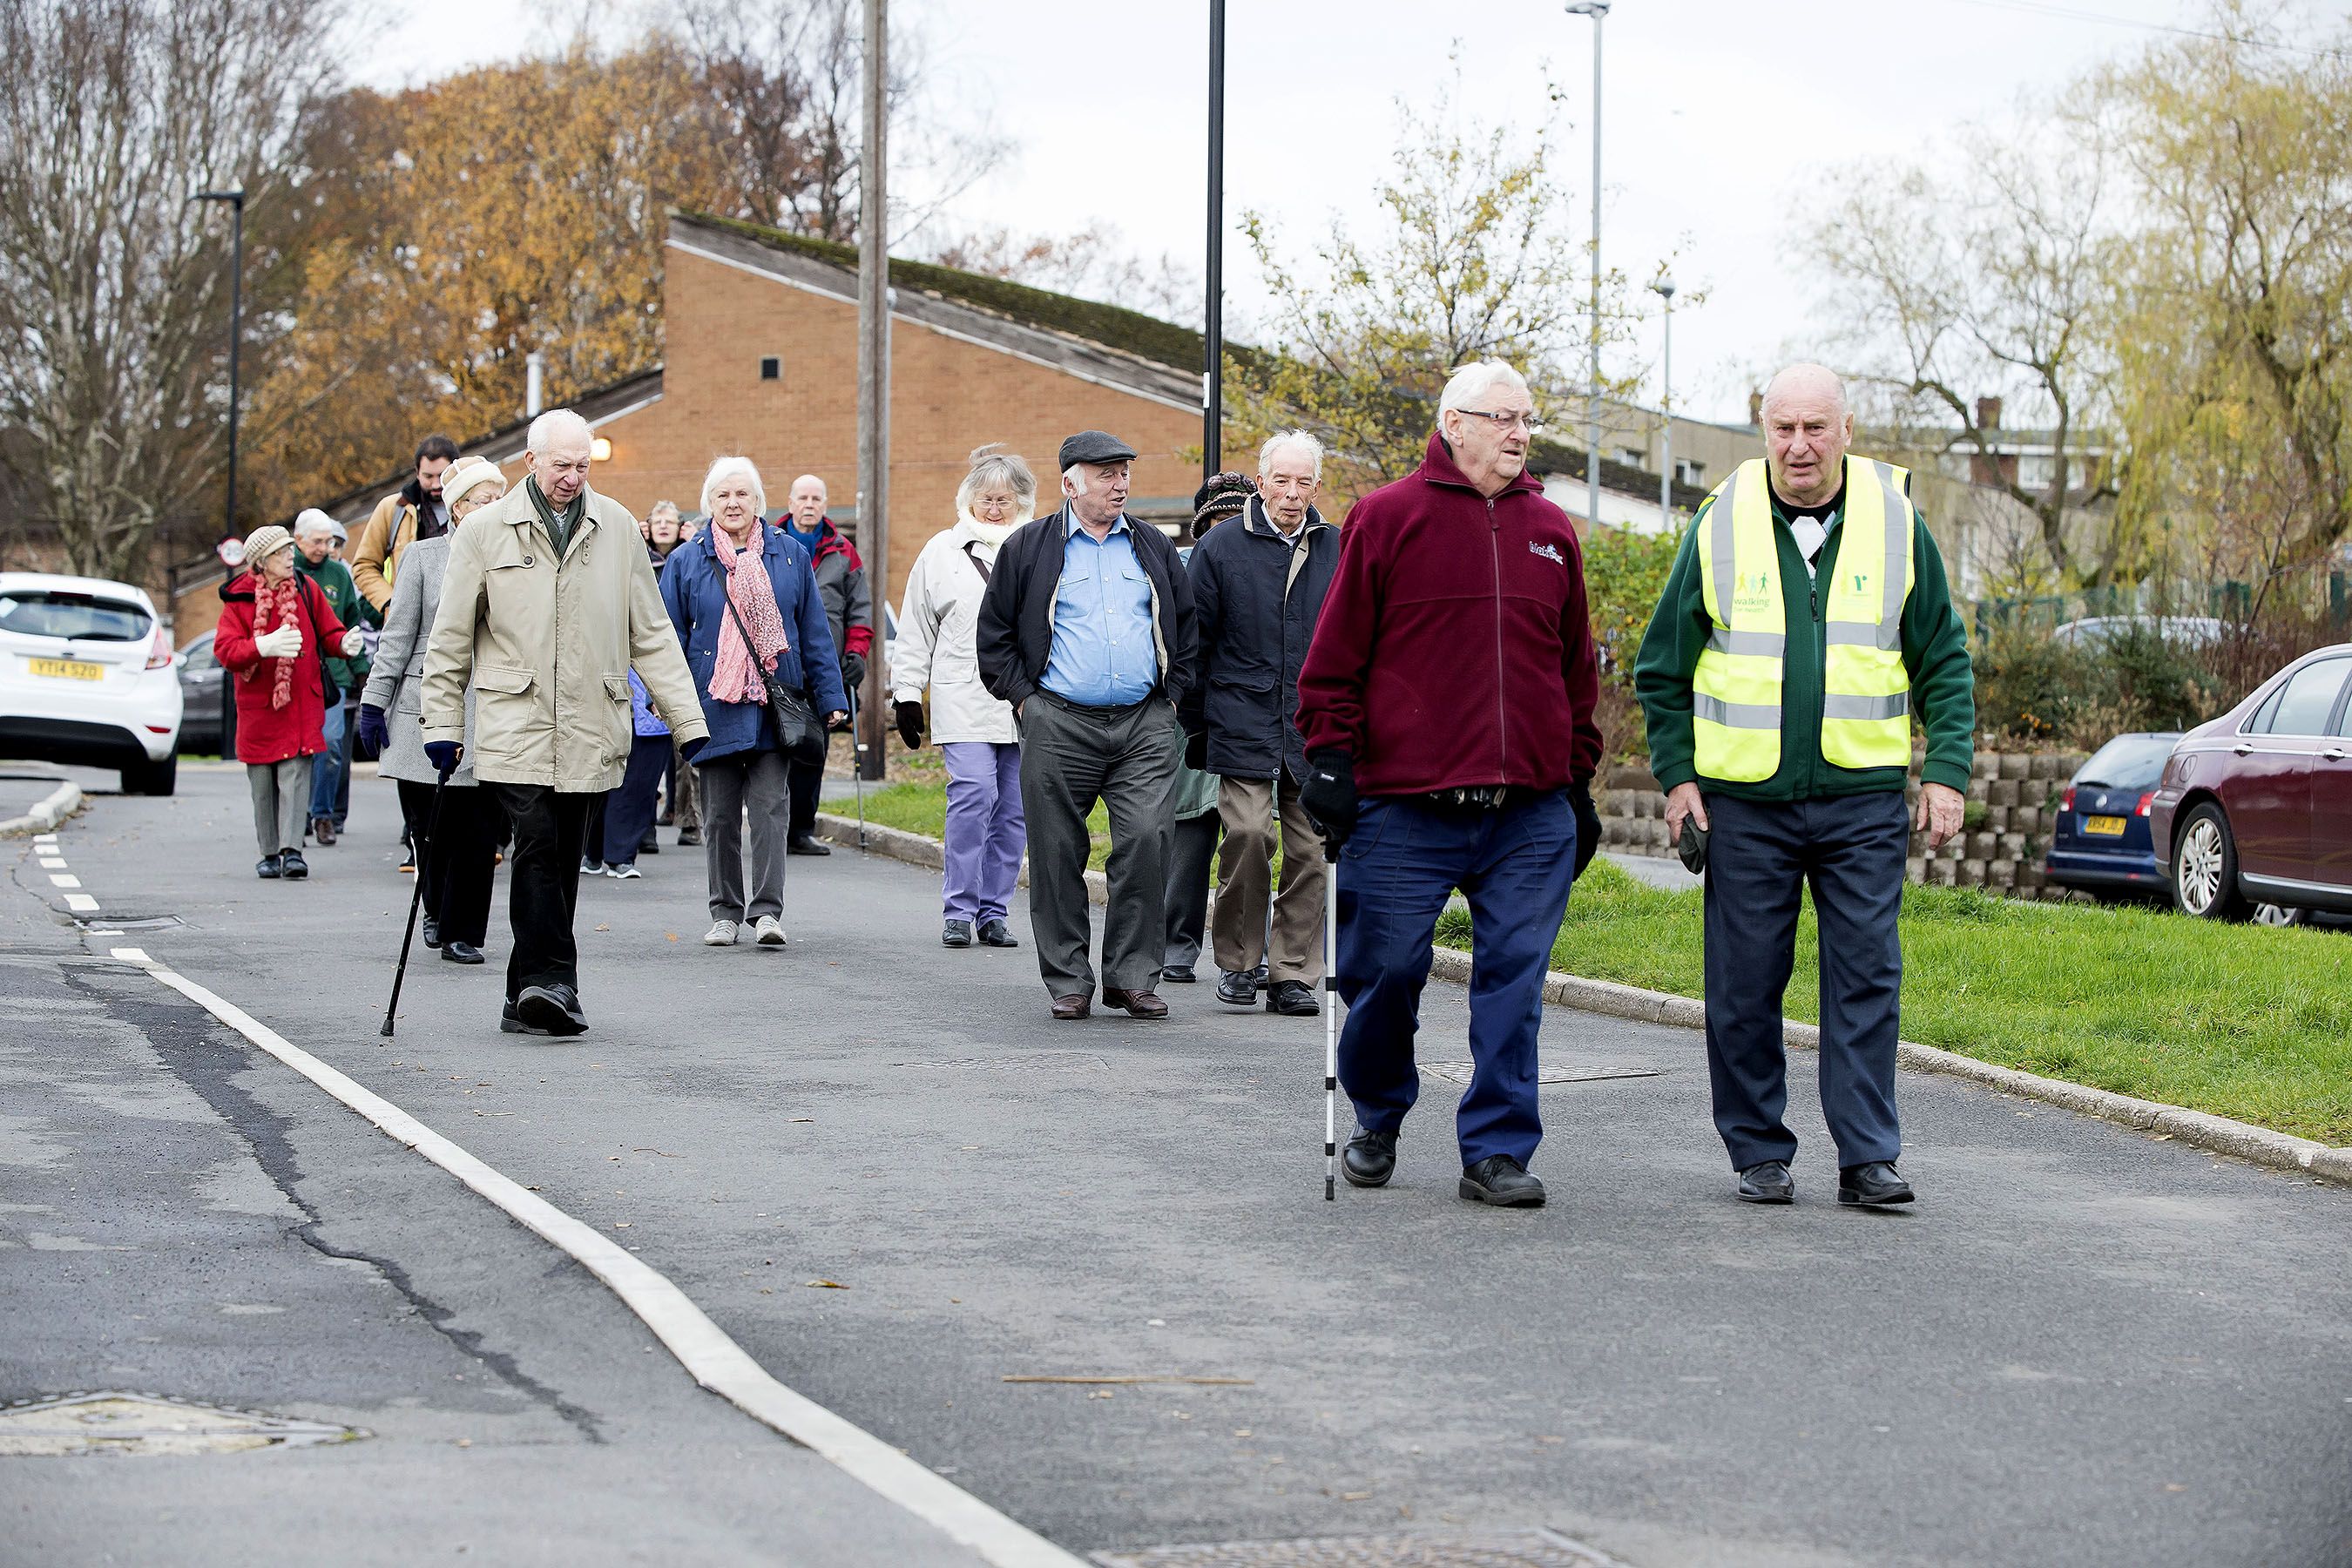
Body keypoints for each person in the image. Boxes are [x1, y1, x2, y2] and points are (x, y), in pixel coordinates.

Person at [1633, 362, 1975, 1208]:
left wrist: (1947, 771)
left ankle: (1867, 1156)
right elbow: (1661, 669)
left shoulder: (1897, 523)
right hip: (1744, 801)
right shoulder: (1720, 525)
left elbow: (1944, 661)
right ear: (1764, 432)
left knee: (1865, 976)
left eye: (1816, 428)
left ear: (1848, 432)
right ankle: (1758, 1148)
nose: (1799, 446)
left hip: (1862, 798)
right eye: (1783, 428)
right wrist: (1679, 781)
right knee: (1745, 981)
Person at [1295, 361, 1604, 1209]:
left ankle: (1497, 1150)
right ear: (1453, 424)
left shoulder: (1552, 531)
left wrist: (1578, 782)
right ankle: (1380, 1113)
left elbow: (1576, 671)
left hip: (1529, 811)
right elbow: (1333, 661)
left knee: (1516, 979)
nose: (1517, 435)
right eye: (1501, 418)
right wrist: (1328, 761)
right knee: (1385, 970)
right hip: (1404, 804)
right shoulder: (1387, 519)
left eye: (1526, 421)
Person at [419, 409, 709, 1037]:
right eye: (561, 465)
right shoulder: (485, 533)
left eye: (582, 466)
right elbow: (449, 640)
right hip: (515, 719)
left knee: (561, 853)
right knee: (540, 843)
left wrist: (687, 719)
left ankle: (521, 997)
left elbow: (651, 631)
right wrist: (441, 723)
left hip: (592, 721)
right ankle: (555, 981)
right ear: (531, 462)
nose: (572, 477)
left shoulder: (617, 530)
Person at [977, 430, 1196, 1022]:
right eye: (1105, 473)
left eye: (1124, 471)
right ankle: (1069, 979)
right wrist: (1025, 701)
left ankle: (1130, 978)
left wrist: (1172, 698)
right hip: (1058, 721)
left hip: (1144, 723)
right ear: (1070, 482)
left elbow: (1188, 625)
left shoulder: (1152, 546)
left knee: (1149, 841)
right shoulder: (1029, 547)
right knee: (1055, 852)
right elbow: (994, 637)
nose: (1119, 482)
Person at [659, 456, 848, 949]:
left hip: (772, 703)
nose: (732, 503)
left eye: (742, 494)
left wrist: (830, 696)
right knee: (718, 815)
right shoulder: (687, 559)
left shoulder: (789, 556)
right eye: (722, 495)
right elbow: (667, 638)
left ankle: (766, 912)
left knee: (770, 809)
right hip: (712, 704)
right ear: (709, 504)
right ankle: (725, 911)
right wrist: (667, 700)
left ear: (758, 500)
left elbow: (812, 632)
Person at [1185, 434, 1342, 1016]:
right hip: (1241, 715)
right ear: (1261, 480)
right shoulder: (1222, 546)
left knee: (1311, 848)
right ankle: (1238, 962)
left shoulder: (1338, 548)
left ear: (1317, 486)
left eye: (1304, 483)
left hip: (1314, 724)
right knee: (1249, 835)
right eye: (1282, 480)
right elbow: (1194, 639)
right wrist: (1195, 722)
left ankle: (1292, 972)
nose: (1293, 494)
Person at [356, 456, 508, 965]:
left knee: (479, 831)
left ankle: (465, 930)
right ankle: (437, 909)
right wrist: (374, 703)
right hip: (424, 709)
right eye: (483, 500)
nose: (493, 508)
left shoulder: (514, 558)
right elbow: (397, 636)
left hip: (490, 708)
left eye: (498, 500)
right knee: (432, 830)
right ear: (458, 507)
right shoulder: (422, 557)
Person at [890, 446, 1035, 950]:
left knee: (1014, 809)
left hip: (1023, 699)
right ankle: (959, 907)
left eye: (1005, 500)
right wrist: (907, 692)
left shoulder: (1039, 548)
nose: (995, 509)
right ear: (968, 500)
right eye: (986, 499)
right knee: (974, 794)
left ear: (1021, 503)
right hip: (962, 693)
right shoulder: (941, 552)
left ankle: (994, 911)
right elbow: (916, 626)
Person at [213, 524, 366, 882]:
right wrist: (261, 647)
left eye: (288, 550)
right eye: (282, 552)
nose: (289, 557)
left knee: (297, 775)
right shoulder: (238, 598)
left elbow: (328, 632)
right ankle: (268, 851)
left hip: (299, 701)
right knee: (263, 781)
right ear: (262, 561)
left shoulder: (306, 589)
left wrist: (344, 643)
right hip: (259, 706)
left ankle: (292, 850)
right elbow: (225, 650)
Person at [1162, 472, 1255, 983]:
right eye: (1217, 521)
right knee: (1190, 836)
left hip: (1250, 721)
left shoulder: (1271, 568)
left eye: (1237, 518)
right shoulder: (1180, 571)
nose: (1227, 531)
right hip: (1192, 720)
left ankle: (1248, 950)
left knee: (1249, 842)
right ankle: (1178, 943)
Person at [779, 474, 873, 856]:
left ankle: (801, 829)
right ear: (790, 502)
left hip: (823, 670)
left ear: (825, 504)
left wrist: (856, 655)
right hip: (776, 667)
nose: (809, 504)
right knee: (773, 753)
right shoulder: (768, 543)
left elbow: (860, 610)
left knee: (812, 752)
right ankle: (771, 827)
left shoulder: (842, 550)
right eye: (802, 497)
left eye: (816, 498)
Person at [290, 510, 375, 848]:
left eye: (329, 542)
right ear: (299, 540)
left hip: (333, 675)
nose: (325, 547)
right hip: (296, 674)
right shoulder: (287, 570)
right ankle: (295, 817)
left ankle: (323, 814)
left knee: (332, 745)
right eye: (318, 541)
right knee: (296, 752)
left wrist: (359, 671)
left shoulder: (338, 573)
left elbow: (352, 623)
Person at [352, 434, 460, 613]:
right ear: (417, 472)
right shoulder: (393, 509)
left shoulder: (476, 508)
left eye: (441, 476)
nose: (435, 484)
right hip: (411, 623)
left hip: (459, 616)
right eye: (428, 476)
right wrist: (392, 603)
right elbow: (364, 565)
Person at [644, 500, 699, 848]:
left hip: (684, 660)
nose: (664, 526)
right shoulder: (637, 557)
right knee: (646, 751)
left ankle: (689, 819)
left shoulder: (692, 557)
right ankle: (643, 820)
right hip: (645, 661)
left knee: (686, 753)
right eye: (656, 520)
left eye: (670, 521)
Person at [590, 672, 671, 879]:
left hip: (645, 714)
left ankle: (611, 856)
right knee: (602, 785)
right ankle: (601, 854)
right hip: (613, 708)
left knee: (634, 788)